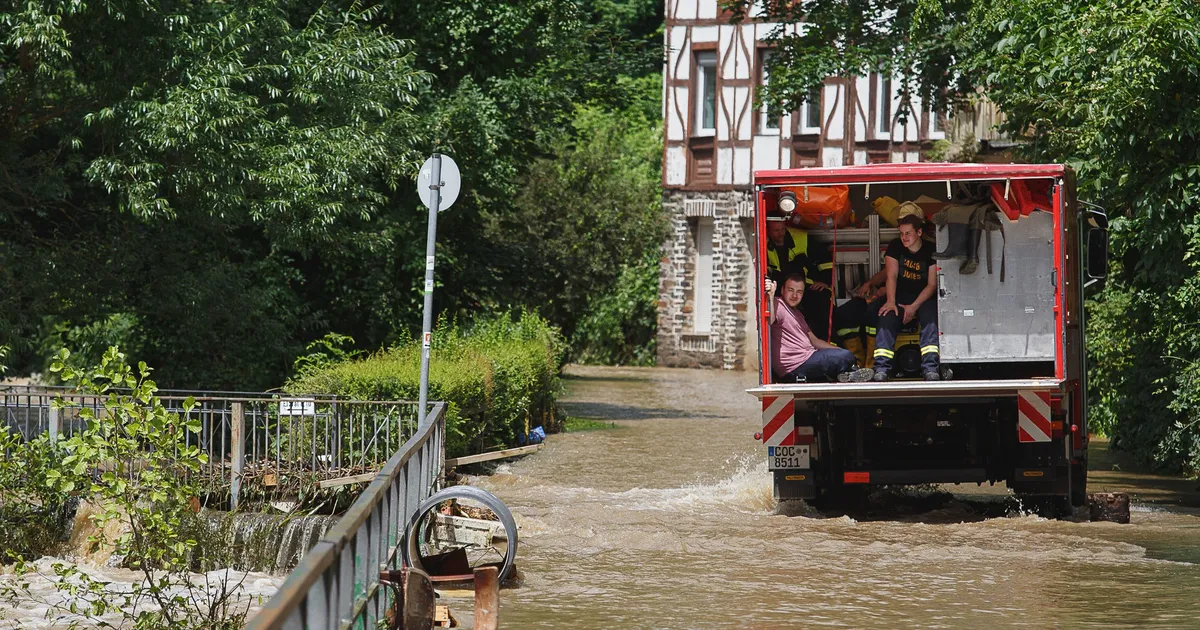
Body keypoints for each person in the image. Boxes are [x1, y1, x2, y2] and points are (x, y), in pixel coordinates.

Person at [767, 273, 874, 383]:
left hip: (807, 358)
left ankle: (847, 374)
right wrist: (770, 297)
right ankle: (850, 373)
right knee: (845, 356)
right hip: (795, 365)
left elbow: (814, 340)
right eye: (790, 290)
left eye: (799, 292)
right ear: (782, 290)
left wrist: (838, 350)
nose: (795, 295)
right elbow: (769, 320)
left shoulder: (797, 313)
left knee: (844, 354)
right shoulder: (777, 304)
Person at [872, 215, 940, 381]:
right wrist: (890, 302)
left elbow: (932, 284)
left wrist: (913, 307)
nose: (904, 237)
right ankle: (881, 368)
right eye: (902, 233)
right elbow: (891, 276)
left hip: (923, 300)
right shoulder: (895, 246)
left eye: (908, 233)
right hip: (898, 298)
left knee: (931, 318)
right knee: (886, 317)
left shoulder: (930, 249)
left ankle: (930, 368)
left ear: (919, 232)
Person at [765, 216, 834, 340]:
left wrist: (824, 281)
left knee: (822, 299)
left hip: (803, 285)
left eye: (782, 229)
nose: (780, 233)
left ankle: (826, 342)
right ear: (768, 230)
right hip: (778, 288)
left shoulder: (801, 237)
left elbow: (825, 259)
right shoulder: (762, 243)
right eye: (776, 230)